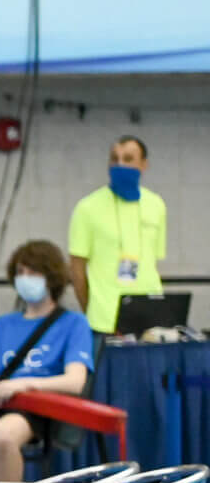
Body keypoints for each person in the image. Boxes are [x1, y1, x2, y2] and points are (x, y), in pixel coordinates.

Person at [0, 240, 94, 483]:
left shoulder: (74, 323)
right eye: (20, 272)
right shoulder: (2, 325)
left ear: (51, 277)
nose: (25, 278)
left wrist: (24, 384)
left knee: (2, 435)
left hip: (40, 408)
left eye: (33, 272)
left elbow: (75, 382)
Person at [67, 135, 167, 337]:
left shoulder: (156, 205)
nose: (120, 164)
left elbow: (153, 263)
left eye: (128, 159)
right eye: (114, 159)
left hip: (150, 319)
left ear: (144, 164)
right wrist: (91, 312)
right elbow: (77, 271)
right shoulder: (87, 208)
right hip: (105, 322)